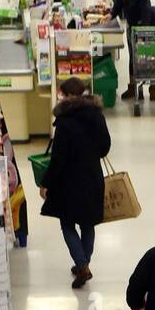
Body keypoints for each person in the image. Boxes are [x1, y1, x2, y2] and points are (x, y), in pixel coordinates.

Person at [39, 78, 111, 289]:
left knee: (67, 223)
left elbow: (58, 159)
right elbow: (105, 147)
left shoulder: (64, 121)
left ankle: (82, 264)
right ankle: (83, 263)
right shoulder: (97, 115)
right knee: (88, 223)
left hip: (69, 181)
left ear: (66, 95)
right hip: (92, 176)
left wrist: (46, 183)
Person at [111, 0, 155, 100]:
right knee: (133, 58)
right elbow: (115, 10)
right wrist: (107, 17)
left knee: (149, 57)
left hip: (146, 28)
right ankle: (132, 87)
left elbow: (146, 21)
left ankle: (153, 89)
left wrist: (140, 38)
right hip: (132, 27)